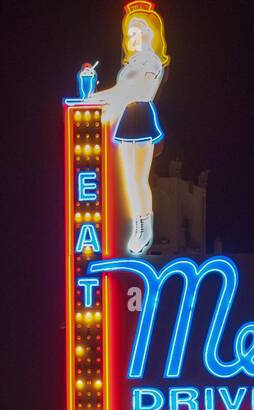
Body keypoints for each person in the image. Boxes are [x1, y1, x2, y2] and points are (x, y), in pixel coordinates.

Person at [82, 4, 169, 256]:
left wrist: (100, 98)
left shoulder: (153, 62)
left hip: (141, 115)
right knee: (130, 178)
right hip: (127, 117)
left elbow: (136, 91)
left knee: (139, 178)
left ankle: (144, 226)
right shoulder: (131, 62)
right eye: (129, 30)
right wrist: (91, 96)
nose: (132, 35)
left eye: (137, 29)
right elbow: (118, 92)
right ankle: (138, 226)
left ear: (150, 32)